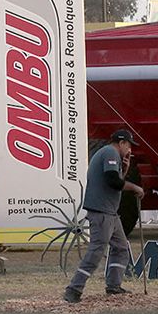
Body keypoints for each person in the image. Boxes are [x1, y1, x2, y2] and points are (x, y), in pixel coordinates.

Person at [63, 129, 145, 303]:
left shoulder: (111, 155)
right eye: (129, 145)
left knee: (121, 248)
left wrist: (125, 169)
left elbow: (115, 179)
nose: (130, 149)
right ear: (121, 143)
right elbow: (113, 181)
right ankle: (74, 289)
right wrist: (135, 187)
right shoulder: (110, 152)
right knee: (96, 251)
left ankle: (114, 286)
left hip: (111, 213)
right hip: (102, 211)